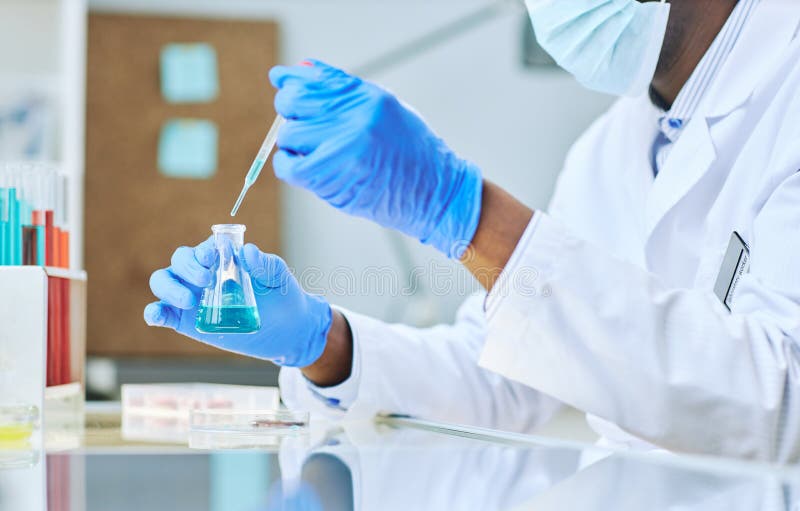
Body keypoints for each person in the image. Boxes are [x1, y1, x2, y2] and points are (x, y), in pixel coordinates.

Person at [145, 0, 800, 462]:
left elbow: (779, 407)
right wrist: (325, 343)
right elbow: (507, 377)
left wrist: (465, 211)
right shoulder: (611, 147)